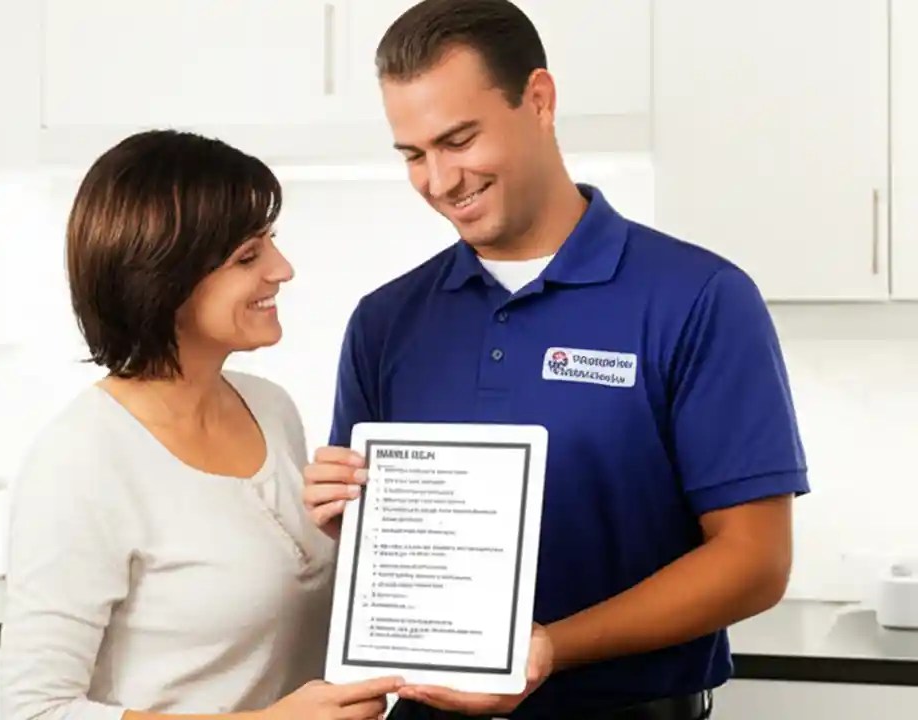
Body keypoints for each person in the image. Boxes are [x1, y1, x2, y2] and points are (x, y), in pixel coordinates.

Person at [302, 1, 808, 718]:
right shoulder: (386, 321)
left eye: (459, 139)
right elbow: (395, 560)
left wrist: (549, 647)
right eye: (414, 155)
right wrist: (352, 524)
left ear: (538, 100)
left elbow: (756, 562)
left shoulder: (698, 298)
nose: (440, 181)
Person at [1, 129, 402, 720]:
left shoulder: (270, 407)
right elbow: (33, 712)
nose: (282, 269)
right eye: (248, 256)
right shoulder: (83, 457)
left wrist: (362, 530)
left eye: (270, 242)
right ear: (163, 281)